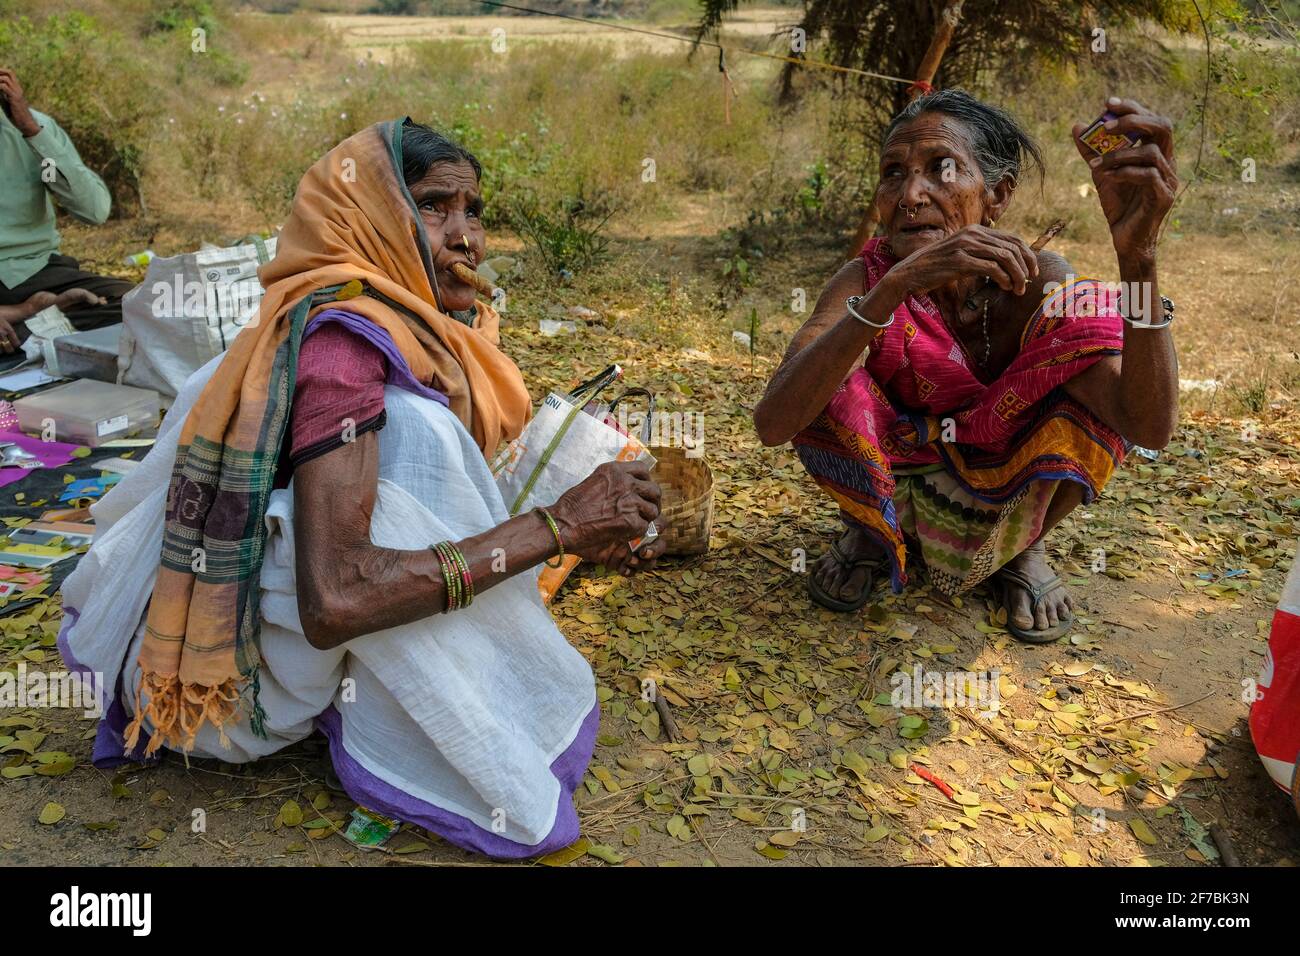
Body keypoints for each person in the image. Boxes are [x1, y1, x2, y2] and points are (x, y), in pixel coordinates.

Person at [58, 119, 667, 859]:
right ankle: (378, 722)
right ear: (367, 216)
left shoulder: (417, 326)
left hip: (241, 636)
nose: (465, 236)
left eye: (474, 211)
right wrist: (556, 525)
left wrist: (578, 529)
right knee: (419, 434)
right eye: (434, 207)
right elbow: (339, 596)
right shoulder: (344, 341)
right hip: (232, 699)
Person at [754, 91, 1179, 643]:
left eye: (942, 168)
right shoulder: (868, 280)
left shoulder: (1040, 284)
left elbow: (1147, 426)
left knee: (1080, 380)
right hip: (902, 461)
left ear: (997, 195)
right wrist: (893, 289)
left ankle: (1021, 549)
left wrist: (1139, 257)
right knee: (827, 368)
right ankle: (869, 526)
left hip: (1002, 474)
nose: (911, 195)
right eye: (893, 173)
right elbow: (774, 422)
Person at [0, 68, 130, 353]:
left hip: (36, 271)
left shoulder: (29, 129)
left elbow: (93, 210)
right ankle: (31, 321)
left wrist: (32, 132)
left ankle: (30, 323)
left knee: (140, 305)